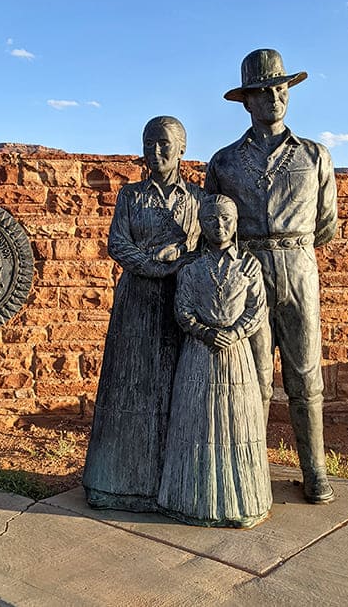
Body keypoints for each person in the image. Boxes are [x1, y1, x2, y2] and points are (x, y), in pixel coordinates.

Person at [205, 48, 338, 504]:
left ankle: (315, 470)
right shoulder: (224, 163)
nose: (274, 98)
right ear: (247, 101)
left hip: (299, 267)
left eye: (280, 89)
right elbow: (212, 222)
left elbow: (326, 225)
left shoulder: (315, 156)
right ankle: (252, 469)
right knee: (256, 377)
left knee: (305, 375)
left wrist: (292, 250)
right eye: (263, 92)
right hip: (249, 272)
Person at [83, 116, 204, 511]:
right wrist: (153, 266)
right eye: (149, 143)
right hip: (136, 299)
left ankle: (171, 484)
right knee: (130, 386)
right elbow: (117, 243)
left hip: (179, 300)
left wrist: (177, 262)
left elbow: (208, 248)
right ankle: (117, 483)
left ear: (182, 148)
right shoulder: (130, 196)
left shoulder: (198, 200)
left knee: (175, 388)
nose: (156, 151)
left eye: (165, 143)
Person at [157, 194, 272, 528]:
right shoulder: (192, 269)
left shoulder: (249, 267)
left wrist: (235, 333)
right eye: (210, 220)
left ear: (235, 223)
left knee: (238, 423)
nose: (219, 227)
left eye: (225, 219)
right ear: (201, 225)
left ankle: (243, 501)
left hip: (236, 357)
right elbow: (183, 310)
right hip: (199, 356)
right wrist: (206, 333)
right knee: (198, 422)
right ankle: (192, 500)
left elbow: (257, 309)